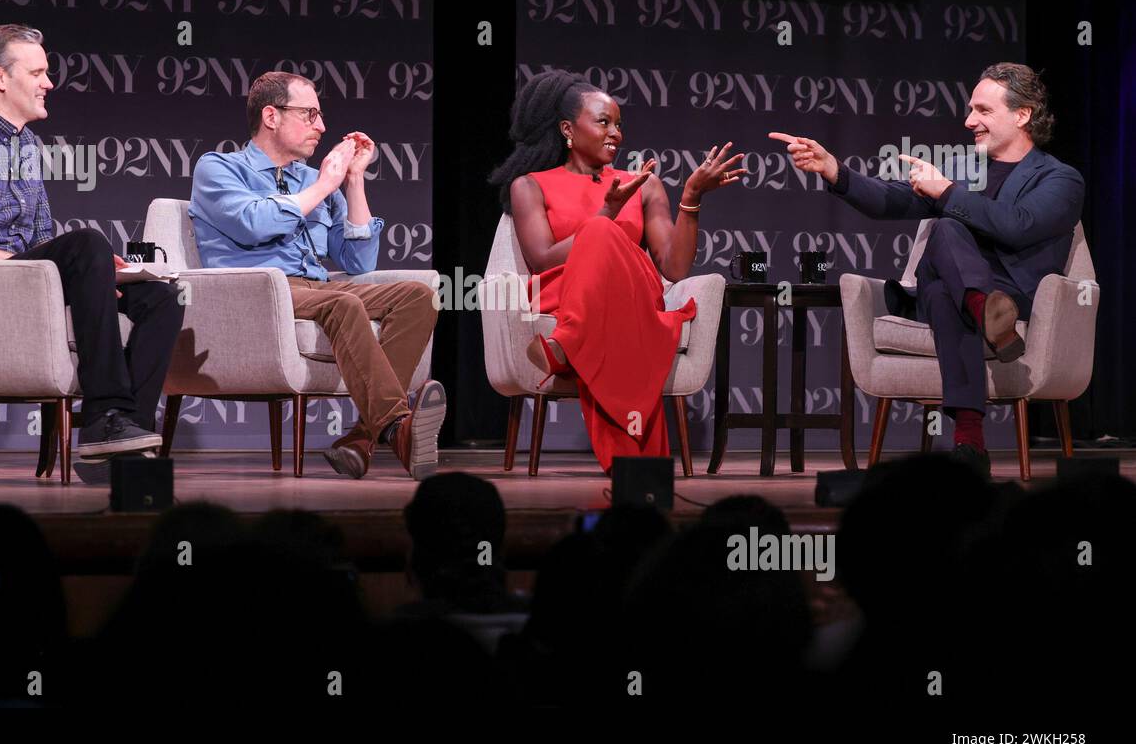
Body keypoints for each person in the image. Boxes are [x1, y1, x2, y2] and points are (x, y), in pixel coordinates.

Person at [770, 62, 1084, 478]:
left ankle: (971, 434)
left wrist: (947, 193)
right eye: (970, 109)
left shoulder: (1061, 178)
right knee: (945, 257)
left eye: (983, 111)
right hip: (977, 304)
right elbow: (891, 200)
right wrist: (834, 171)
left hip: (1015, 299)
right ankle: (981, 315)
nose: (970, 120)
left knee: (943, 259)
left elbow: (1019, 226)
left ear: (1023, 114)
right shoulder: (962, 169)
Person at [0, 24, 183, 464]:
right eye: (37, 73)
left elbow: (39, 240)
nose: (49, 83)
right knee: (87, 244)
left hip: (26, 280)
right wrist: (65, 272)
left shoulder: (29, 145)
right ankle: (104, 413)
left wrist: (88, 275)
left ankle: (129, 434)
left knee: (161, 297)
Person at [188, 71, 443, 480]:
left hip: (316, 287)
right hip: (259, 290)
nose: (321, 127)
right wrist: (326, 184)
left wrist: (354, 180)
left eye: (320, 116)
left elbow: (358, 261)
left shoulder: (311, 179)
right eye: (310, 115)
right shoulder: (219, 168)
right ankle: (397, 427)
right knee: (343, 303)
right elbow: (253, 224)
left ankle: (362, 438)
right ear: (271, 116)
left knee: (417, 296)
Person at [489, 69, 745, 473]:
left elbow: (675, 268)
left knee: (601, 238)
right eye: (603, 122)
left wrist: (692, 197)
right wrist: (605, 213)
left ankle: (567, 343)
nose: (616, 133)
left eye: (619, 125)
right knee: (599, 232)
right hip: (565, 291)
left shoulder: (643, 185)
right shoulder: (531, 185)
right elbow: (540, 259)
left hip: (633, 294)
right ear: (568, 129)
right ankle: (636, 467)